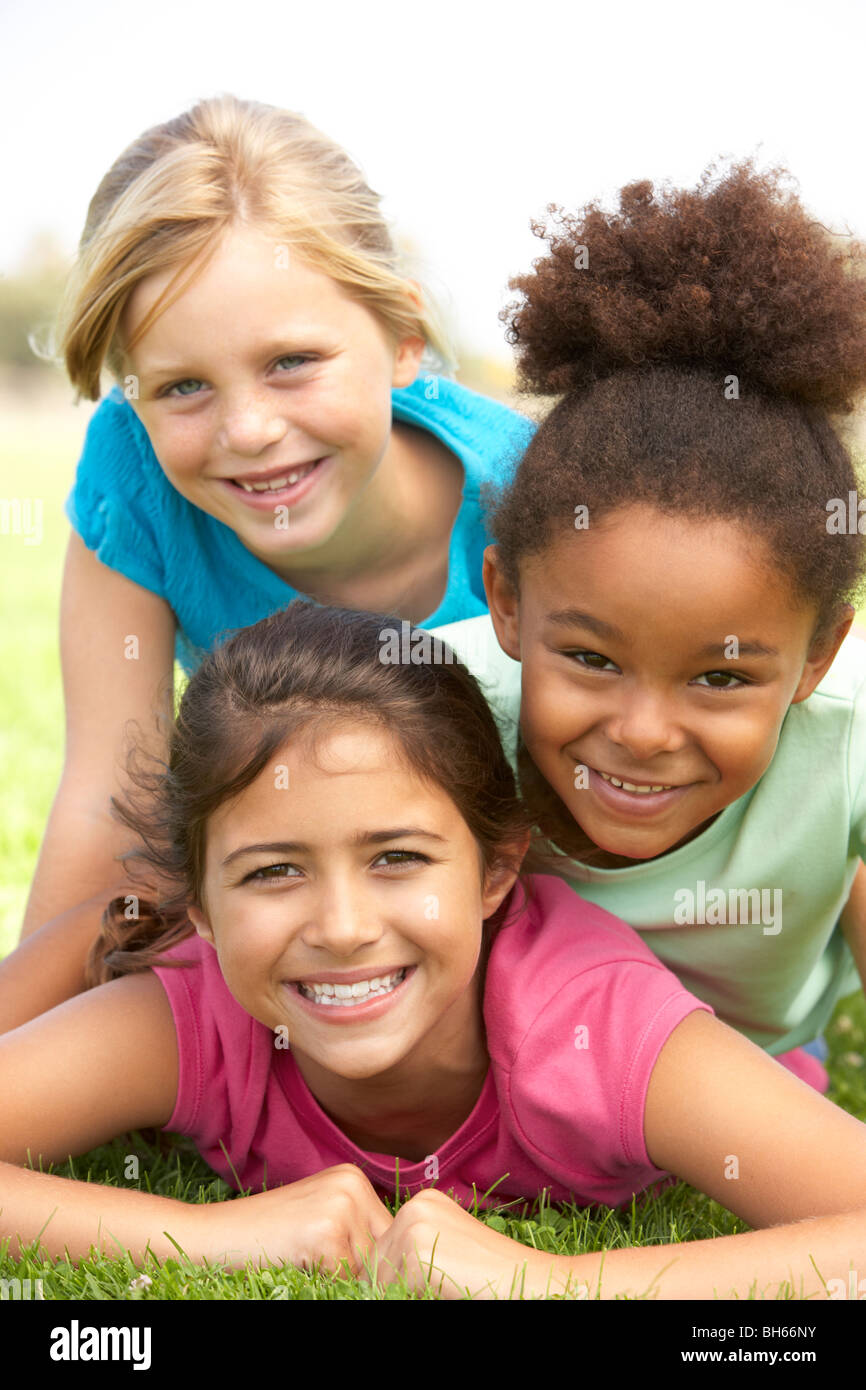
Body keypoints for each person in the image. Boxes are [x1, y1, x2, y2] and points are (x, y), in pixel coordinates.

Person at [1, 602, 865, 1301]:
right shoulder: (192, 1015)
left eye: (397, 859)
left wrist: (556, 1283)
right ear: (204, 909)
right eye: (272, 872)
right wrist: (211, 1238)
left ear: (496, 872)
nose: (342, 927)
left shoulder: (596, 1032)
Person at [12, 95, 533, 989]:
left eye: (291, 362)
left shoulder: (532, 502)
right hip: (305, 918)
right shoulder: (134, 470)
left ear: (403, 336)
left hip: (518, 912)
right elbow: (113, 807)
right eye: (181, 387)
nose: (248, 430)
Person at [431, 159, 866, 1093]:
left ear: (820, 656)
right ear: (503, 600)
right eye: (590, 657)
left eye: (720, 677)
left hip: (756, 1071)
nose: (641, 731)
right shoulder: (432, 707)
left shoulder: (847, 737)